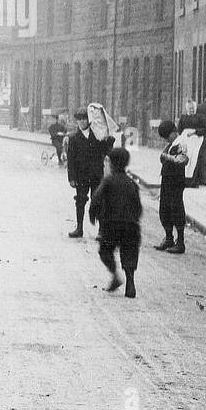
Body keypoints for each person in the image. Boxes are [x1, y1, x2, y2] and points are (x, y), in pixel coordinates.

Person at [90, 147, 142, 298]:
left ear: (111, 163)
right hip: (130, 225)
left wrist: (93, 214)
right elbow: (137, 206)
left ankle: (115, 275)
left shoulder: (108, 181)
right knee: (129, 253)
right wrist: (134, 220)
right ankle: (130, 281)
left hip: (111, 225)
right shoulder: (132, 183)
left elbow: (96, 199)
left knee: (105, 251)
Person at [66, 108, 115, 238]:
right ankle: (79, 228)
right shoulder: (74, 138)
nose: (81, 122)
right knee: (80, 201)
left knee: (98, 201)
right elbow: (70, 160)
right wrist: (71, 177)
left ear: (89, 120)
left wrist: (109, 139)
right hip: (81, 175)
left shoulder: (97, 135)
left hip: (96, 174)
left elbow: (107, 149)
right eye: (79, 119)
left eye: (84, 119)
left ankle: (101, 230)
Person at [154, 121, 188, 253]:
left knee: (176, 208)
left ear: (174, 132)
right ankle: (168, 238)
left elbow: (183, 160)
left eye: (168, 136)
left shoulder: (181, 143)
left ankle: (180, 242)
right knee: (165, 207)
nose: (167, 139)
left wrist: (166, 157)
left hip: (176, 179)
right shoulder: (172, 144)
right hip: (167, 178)